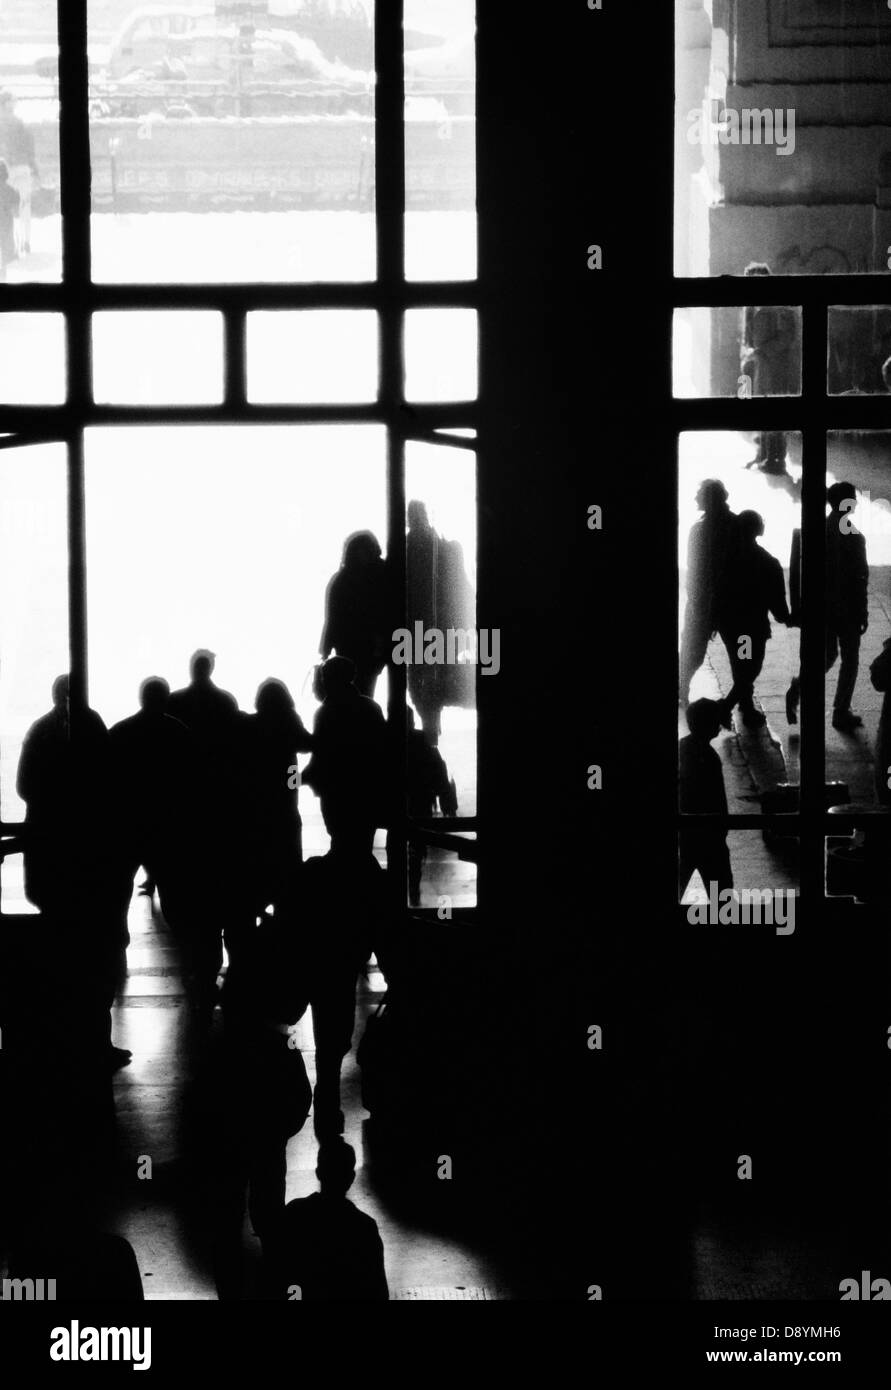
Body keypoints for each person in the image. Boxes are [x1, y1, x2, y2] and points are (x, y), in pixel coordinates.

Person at [17, 675, 131, 1069]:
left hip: (51, 860)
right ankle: (95, 1041)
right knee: (94, 959)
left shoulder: (40, 732)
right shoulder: (93, 726)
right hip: (87, 863)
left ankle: (62, 1039)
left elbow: (24, 786)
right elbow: (111, 783)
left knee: (62, 955)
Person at [296, 846, 387, 1137]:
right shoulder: (368, 872)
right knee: (335, 1031)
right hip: (344, 963)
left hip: (321, 962)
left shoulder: (315, 871)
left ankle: (326, 1094)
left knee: (327, 1030)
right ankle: (327, 1095)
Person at [272, 1139, 388, 1301]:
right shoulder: (364, 1228)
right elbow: (377, 1291)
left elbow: (277, 1274)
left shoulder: (294, 1213)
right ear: (351, 1177)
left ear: (318, 1172)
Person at [301, 656, 390, 858]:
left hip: (336, 794)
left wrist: (292, 779)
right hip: (366, 792)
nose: (322, 681)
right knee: (361, 848)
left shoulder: (325, 712)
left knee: (341, 845)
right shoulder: (371, 708)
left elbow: (320, 758)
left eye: (325, 677)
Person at [406, 500, 475, 745]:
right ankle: (431, 737)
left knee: (421, 689)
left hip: (415, 632)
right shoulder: (444, 548)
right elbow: (462, 589)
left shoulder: (407, 549)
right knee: (435, 685)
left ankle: (430, 736)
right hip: (440, 631)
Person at [715, 509, 791, 728]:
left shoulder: (727, 558)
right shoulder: (768, 562)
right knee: (749, 669)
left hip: (731, 625)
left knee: (741, 666)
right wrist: (789, 618)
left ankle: (743, 707)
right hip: (750, 629)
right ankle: (728, 708)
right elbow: (778, 606)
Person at [245, 678, 312, 912]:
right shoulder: (289, 720)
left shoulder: (252, 723)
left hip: (260, 795)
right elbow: (306, 745)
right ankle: (287, 898)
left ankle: (260, 896)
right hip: (286, 794)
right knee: (287, 844)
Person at [679, 480, 739, 704]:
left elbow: (694, 570)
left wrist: (696, 602)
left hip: (702, 601)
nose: (695, 499)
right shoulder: (735, 526)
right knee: (738, 654)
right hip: (729, 601)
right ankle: (743, 700)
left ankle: (682, 688)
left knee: (693, 651)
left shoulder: (699, 530)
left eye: (699, 495)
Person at [320, 531, 394, 699]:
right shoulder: (382, 573)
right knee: (366, 689)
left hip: (351, 645)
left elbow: (332, 618)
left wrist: (325, 648)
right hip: (372, 646)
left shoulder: (341, 579)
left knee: (355, 689)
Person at [740, 262, 798, 474]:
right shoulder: (750, 306)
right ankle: (763, 454)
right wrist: (747, 358)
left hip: (775, 367)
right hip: (756, 368)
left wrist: (763, 352)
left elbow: (787, 337)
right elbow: (747, 338)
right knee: (758, 411)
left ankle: (777, 459)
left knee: (775, 412)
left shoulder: (779, 306)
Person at [678, 698, 733, 899]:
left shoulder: (683, 748)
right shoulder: (708, 757)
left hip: (685, 836)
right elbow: (716, 798)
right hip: (710, 838)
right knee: (723, 898)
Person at [825, 481, 869, 733]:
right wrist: (862, 611)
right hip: (848, 608)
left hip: (825, 606)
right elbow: (860, 578)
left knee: (827, 656)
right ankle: (840, 711)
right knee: (850, 659)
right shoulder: (855, 537)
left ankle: (798, 687)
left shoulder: (820, 529)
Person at [405, 706, 457, 906]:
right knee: (417, 848)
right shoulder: (423, 742)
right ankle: (413, 890)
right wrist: (446, 801)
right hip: (421, 801)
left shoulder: (386, 741)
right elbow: (438, 770)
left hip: (400, 801)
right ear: (413, 721)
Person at [0, 91, 38, 256]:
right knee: (24, 206)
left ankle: (10, 244)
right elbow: (30, 149)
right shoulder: (21, 124)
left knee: (5, 209)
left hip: (5, 168)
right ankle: (25, 241)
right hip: (21, 167)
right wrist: (35, 169)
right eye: (13, 101)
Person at [0, 160, 19, 281]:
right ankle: (3, 274)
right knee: (5, 250)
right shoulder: (10, 190)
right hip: (6, 223)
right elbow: (16, 204)